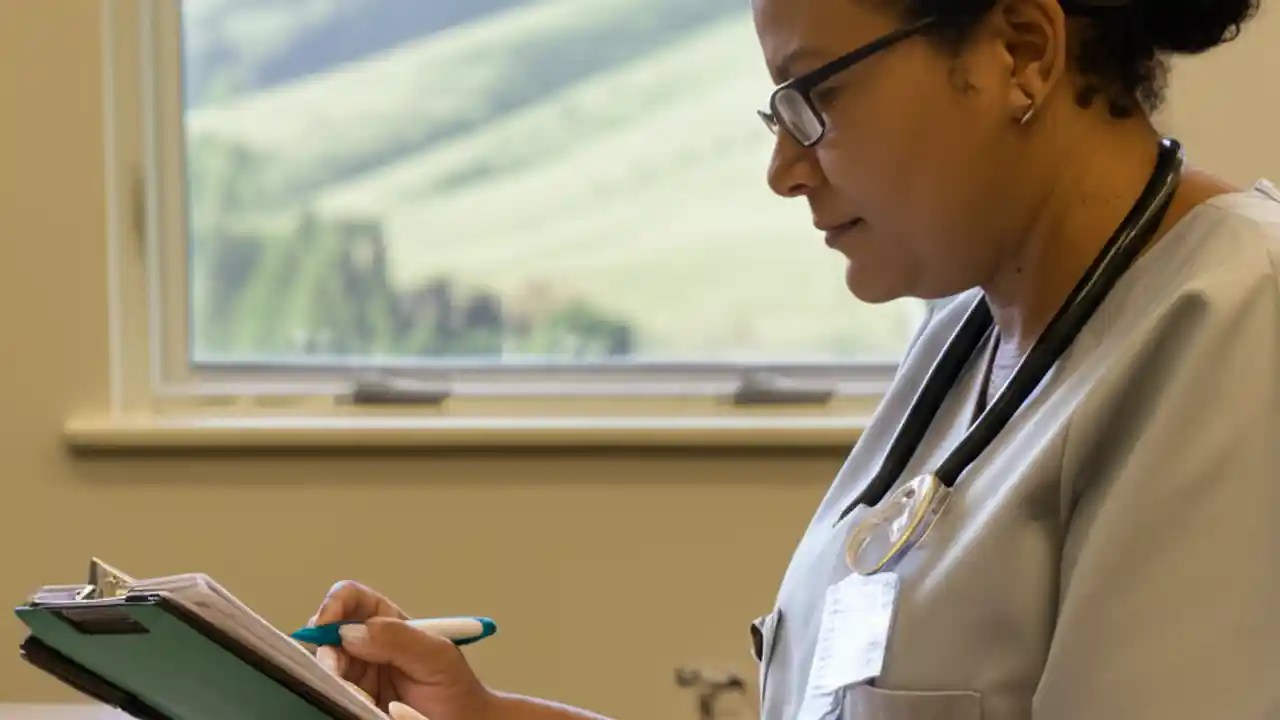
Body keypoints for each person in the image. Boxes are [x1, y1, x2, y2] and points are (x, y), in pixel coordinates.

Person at [309, 0, 1279, 718]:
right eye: (776, 113)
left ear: (1019, 52)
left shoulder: (1239, 323)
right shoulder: (962, 336)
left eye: (814, 96)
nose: (783, 168)